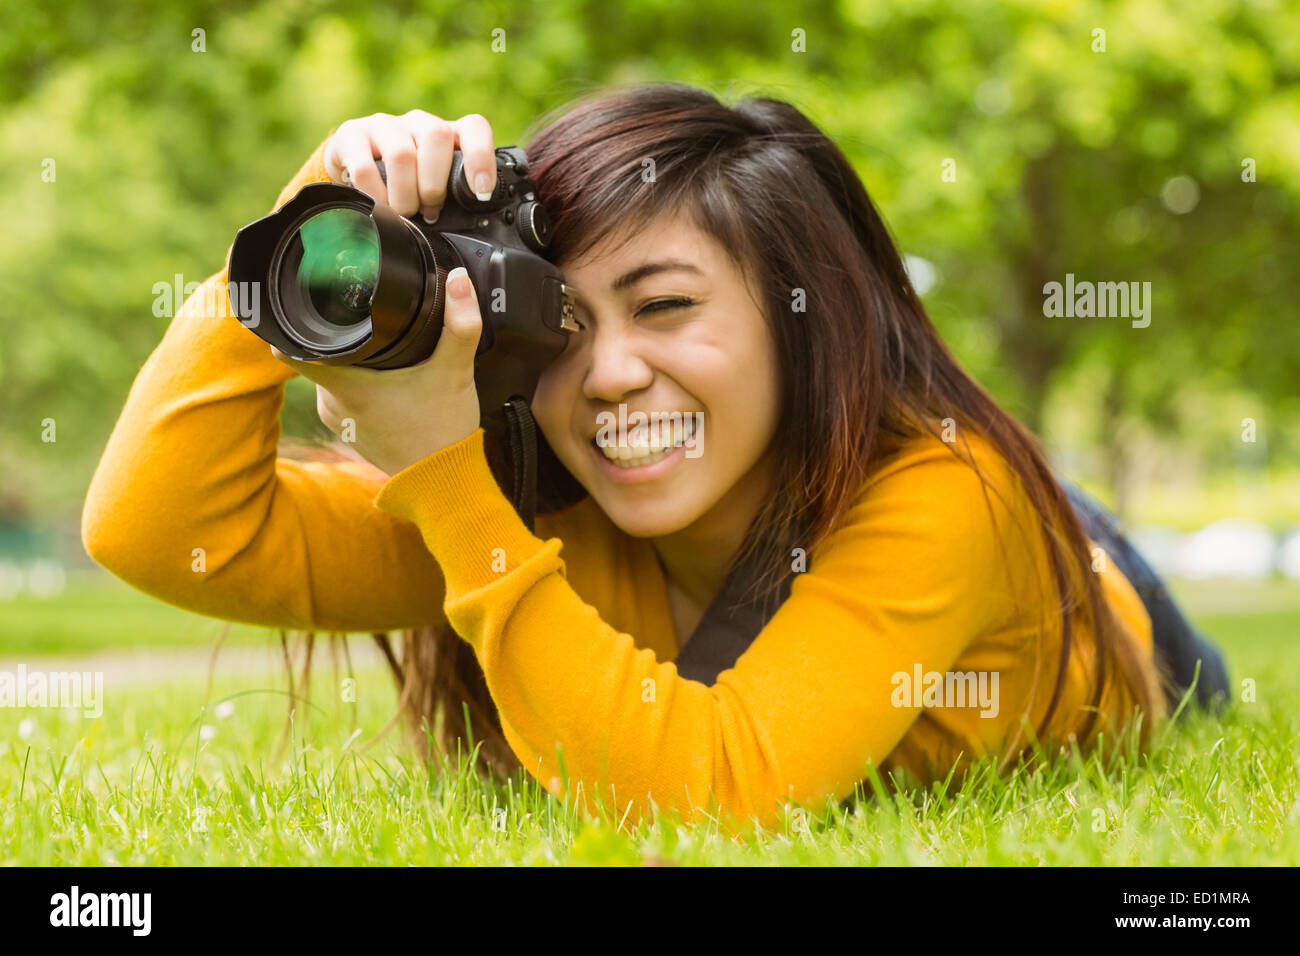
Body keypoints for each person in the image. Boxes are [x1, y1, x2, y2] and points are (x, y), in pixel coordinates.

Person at [82, 83, 1228, 835]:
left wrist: (444, 476)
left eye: (667, 304)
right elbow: (157, 525)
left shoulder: (947, 495)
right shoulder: (536, 493)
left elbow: (713, 792)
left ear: (803, 314)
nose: (613, 372)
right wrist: (311, 220)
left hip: (1086, 587)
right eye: (563, 325)